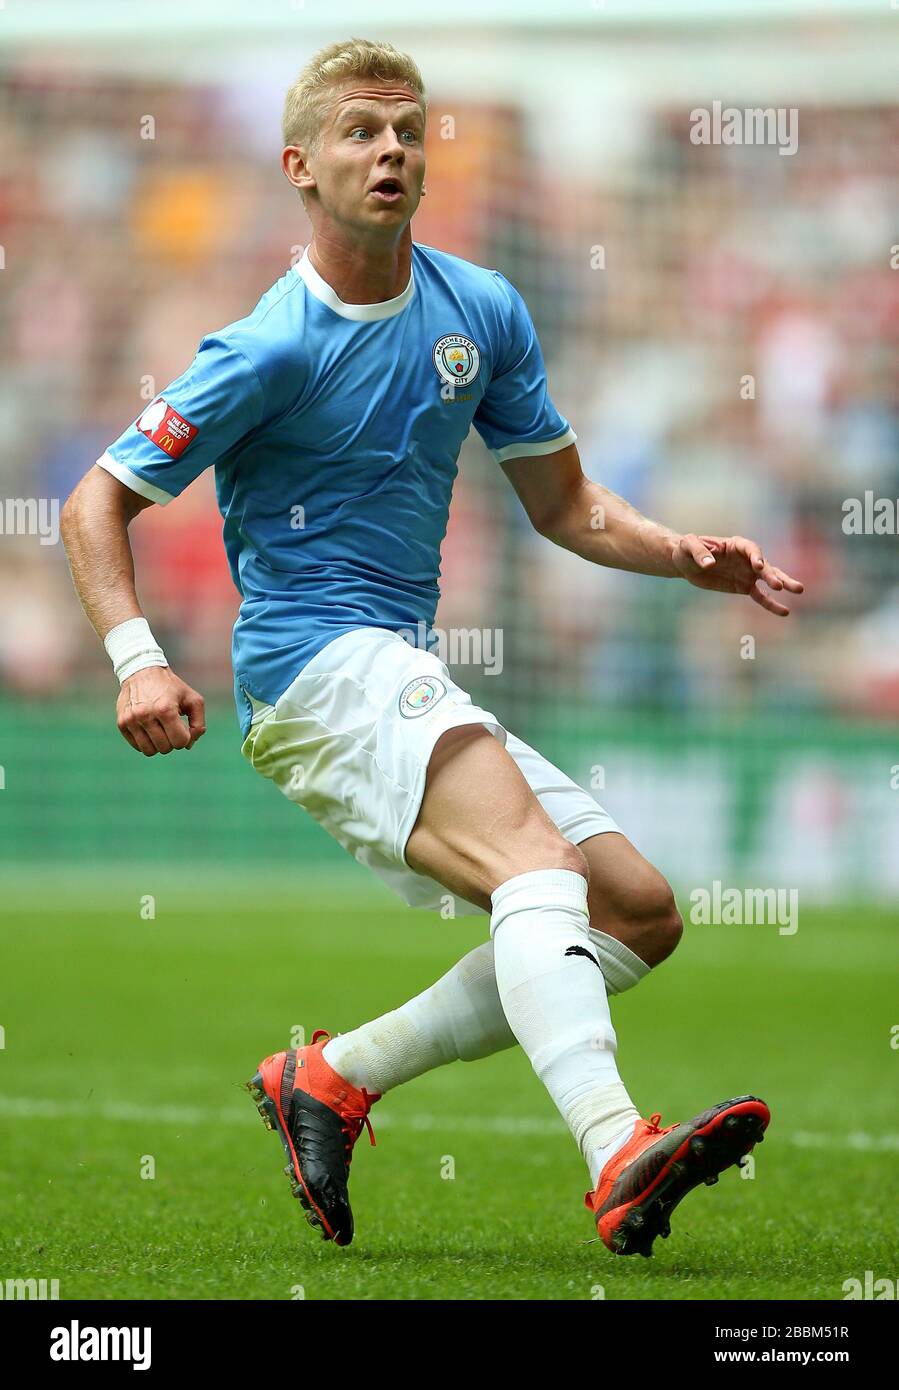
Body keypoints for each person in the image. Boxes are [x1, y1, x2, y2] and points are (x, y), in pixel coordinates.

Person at [61, 37, 802, 1257]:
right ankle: (614, 1146)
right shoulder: (265, 347)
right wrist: (138, 655)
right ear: (299, 165)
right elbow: (98, 500)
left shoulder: (482, 309)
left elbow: (563, 507)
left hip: (396, 664)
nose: (391, 148)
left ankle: (335, 1076)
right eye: (359, 130)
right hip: (309, 667)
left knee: (634, 912)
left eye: (407, 128)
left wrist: (682, 552)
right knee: (532, 866)